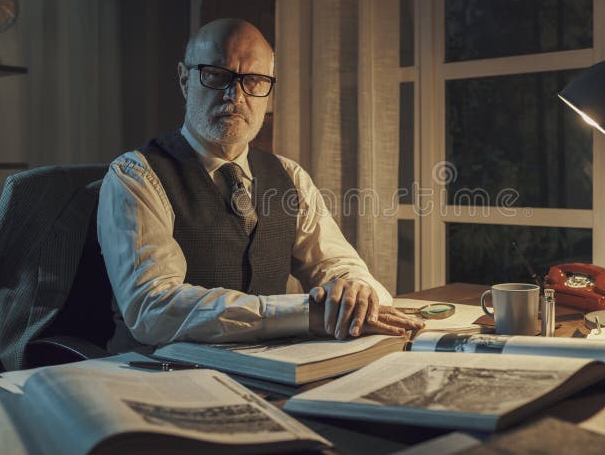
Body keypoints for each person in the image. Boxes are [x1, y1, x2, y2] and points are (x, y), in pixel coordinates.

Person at [98, 18, 422, 352]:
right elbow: (153, 308)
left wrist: (355, 288)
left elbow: (338, 263)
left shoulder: (290, 176)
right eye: (217, 75)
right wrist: (303, 313)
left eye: (253, 80)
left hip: (265, 371)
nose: (235, 95)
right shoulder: (136, 175)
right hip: (156, 376)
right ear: (184, 79)